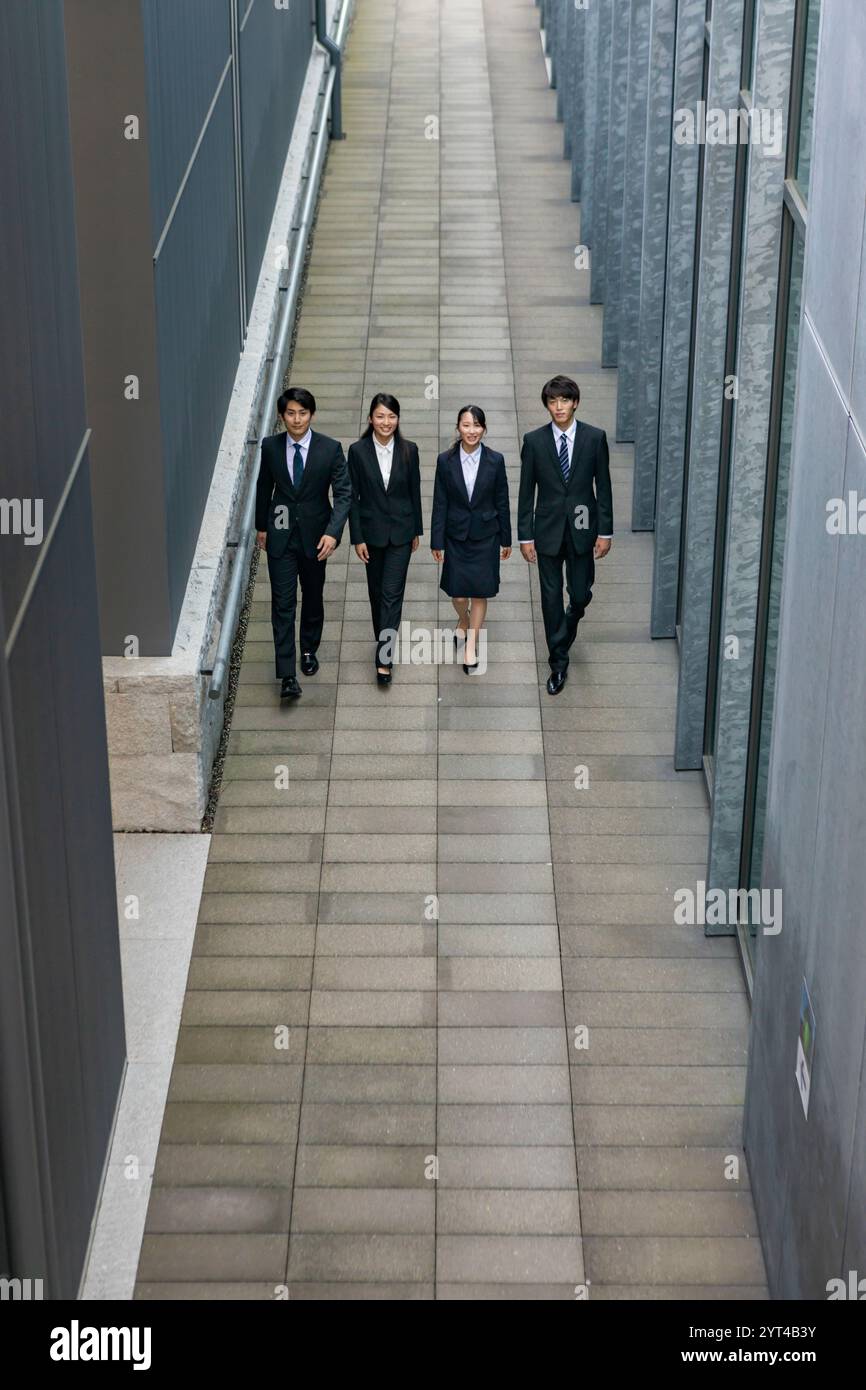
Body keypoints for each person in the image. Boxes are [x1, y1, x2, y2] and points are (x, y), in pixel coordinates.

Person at [517, 375, 613, 695]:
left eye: (564, 400)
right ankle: (558, 662)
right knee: (550, 597)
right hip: (546, 531)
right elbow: (525, 491)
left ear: (575, 402)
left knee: (581, 594)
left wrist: (605, 532)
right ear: (547, 405)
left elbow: (605, 487)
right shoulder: (534, 441)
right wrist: (525, 536)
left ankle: (569, 624)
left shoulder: (594, 438)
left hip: (584, 528)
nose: (558, 407)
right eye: (552, 401)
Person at [255, 387, 351, 700]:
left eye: (303, 413)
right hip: (280, 537)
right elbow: (263, 488)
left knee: (312, 598)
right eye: (291, 413)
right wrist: (261, 527)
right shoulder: (270, 447)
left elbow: (344, 494)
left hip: (316, 538)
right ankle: (287, 675)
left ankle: (308, 649)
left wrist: (333, 532)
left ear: (311, 414)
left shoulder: (330, 449)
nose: (297, 419)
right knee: (282, 605)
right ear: (282, 416)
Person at [348, 393, 424, 686]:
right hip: (371, 534)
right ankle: (383, 638)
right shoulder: (357, 451)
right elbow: (352, 498)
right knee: (376, 594)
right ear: (370, 419)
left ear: (398, 419)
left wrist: (417, 529)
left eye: (392, 416)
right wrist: (357, 537)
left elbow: (415, 490)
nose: (386, 422)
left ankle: (384, 659)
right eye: (380, 416)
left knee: (392, 595)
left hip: (402, 534)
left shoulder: (409, 449)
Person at [431, 405, 512, 673]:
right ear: (458, 428)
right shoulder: (445, 461)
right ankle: (462, 619)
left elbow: (502, 499)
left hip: (486, 535)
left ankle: (471, 644)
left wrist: (506, 539)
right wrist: (437, 541)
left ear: (484, 429)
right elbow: (440, 502)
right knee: (457, 592)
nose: (472, 431)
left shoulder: (495, 460)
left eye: (477, 425)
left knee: (480, 591)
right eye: (466, 425)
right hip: (456, 535)